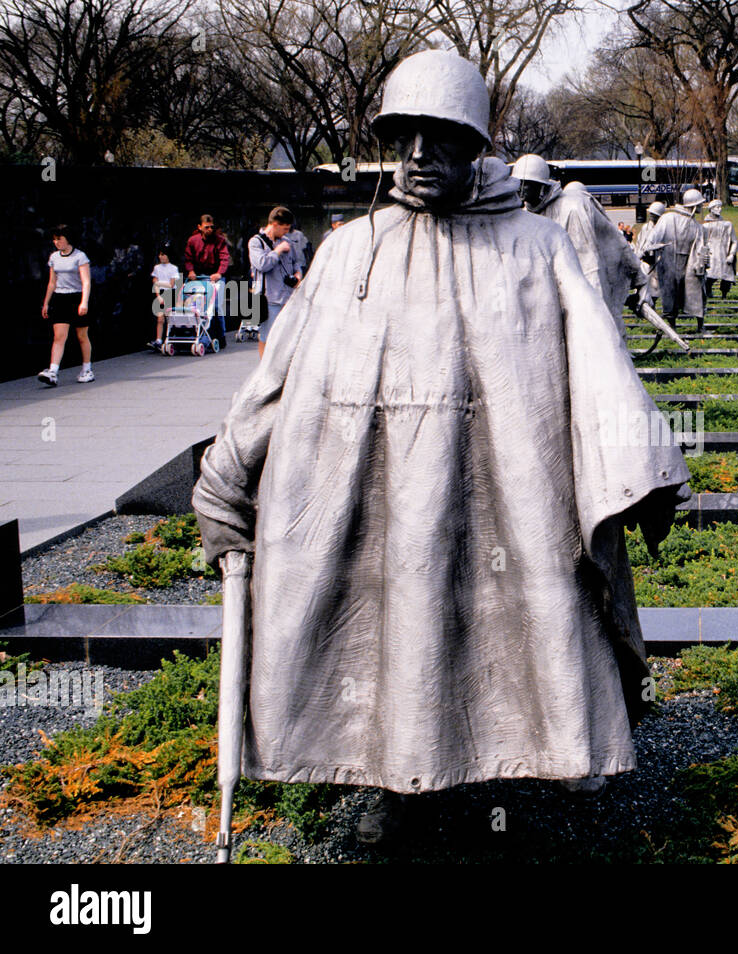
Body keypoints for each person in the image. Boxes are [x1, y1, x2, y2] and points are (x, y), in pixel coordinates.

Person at [190, 49, 690, 842]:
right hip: (377, 495)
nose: (421, 155)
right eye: (407, 136)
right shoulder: (352, 251)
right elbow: (279, 376)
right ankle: (398, 789)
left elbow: (600, 366)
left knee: (509, 630)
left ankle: (512, 776)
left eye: (444, 136)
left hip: (508, 500)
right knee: (390, 631)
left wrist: (644, 466)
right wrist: (225, 478)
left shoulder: (536, 248)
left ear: (477, 144)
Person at [514, 156, 644, 337]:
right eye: (518, 182)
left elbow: (590, 264)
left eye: (526, 183)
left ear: (541, 184)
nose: (520, 189)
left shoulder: (572, 207)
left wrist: (594, 309)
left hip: (580, 285)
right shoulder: (525, 214)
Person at [640, 188, 709, 333]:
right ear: (694, 205)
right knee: (669, 295)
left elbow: (702, 248)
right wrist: (648, 249)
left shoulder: (698, 227)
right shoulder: (668, 218)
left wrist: (704, 259)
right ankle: (672, 325)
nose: (702, 207)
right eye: (700, 204)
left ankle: (700, 325)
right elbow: (653, 237)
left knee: (699, 293)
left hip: (689, 265)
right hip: (669, 263)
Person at [37, 225, 94, 386]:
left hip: (76, 297)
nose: (56, 242)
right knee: (59, 337)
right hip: (60, 298)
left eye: (59, 239)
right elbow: (52, 282)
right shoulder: (54, 257)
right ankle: (53, 371)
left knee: (82, 336)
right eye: (54, 239)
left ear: (67, 238)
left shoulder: (80, 256)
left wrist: (84, 302)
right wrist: (46, 303)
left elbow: (86, 281)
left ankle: (87, 369)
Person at [248, 206, 303, 358]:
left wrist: (298, 274)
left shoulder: (287, 241)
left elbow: (296, 263)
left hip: (287, 296)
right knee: (266, 337)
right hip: (268, 298)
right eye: (284, 228)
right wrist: (278, 251)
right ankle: (264, 371)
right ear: (274, 224)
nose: (286, 232)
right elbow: (262, 264)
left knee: (287, 338)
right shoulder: (256, 242)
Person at [183, 213, 230, 348]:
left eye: (212, 227)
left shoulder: (220, 240)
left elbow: (224, 258)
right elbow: (188, 258)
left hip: (215, 275)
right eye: (207, 227)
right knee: (197, 307)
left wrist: (219, 273)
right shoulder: (193, 240)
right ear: (200, 227)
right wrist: (190, 270)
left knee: (215, 306)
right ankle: (197, 334)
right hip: (199, 276)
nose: (210, 230)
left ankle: (221, 336)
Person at [701, 199, 738, 300]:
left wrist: (731, 254)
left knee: (727, 277)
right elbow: (702, 243)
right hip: (712, 255)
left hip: (724, 254)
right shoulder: (705, 226)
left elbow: (734, 241)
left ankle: (724, 295)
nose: (720, 209)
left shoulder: (727, 225)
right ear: (711, 209)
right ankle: (708, 292)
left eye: (720, 207)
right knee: (710, 276)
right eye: (717, 207)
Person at [633, 201, 667, 306]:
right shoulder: (645, 228)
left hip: (657, 262)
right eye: (651, 214)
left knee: (655, 286)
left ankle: (652, 304)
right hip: (645, 260)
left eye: (655, 215)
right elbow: (639, 243)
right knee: (643, 283)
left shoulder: (663, 228)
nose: (652, 217)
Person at [149, 249, 180, 351]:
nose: (161, 256)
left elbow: (171, 284)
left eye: (163, 254)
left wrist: (159, 283)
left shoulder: (173, 268)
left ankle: (172, 339)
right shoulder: (156, 268)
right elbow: (155, 282)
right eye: (160, 254)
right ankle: (158, 340)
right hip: (161, 294)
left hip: (170, 294)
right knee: (160, 319)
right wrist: (158, 295)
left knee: (170, 318)